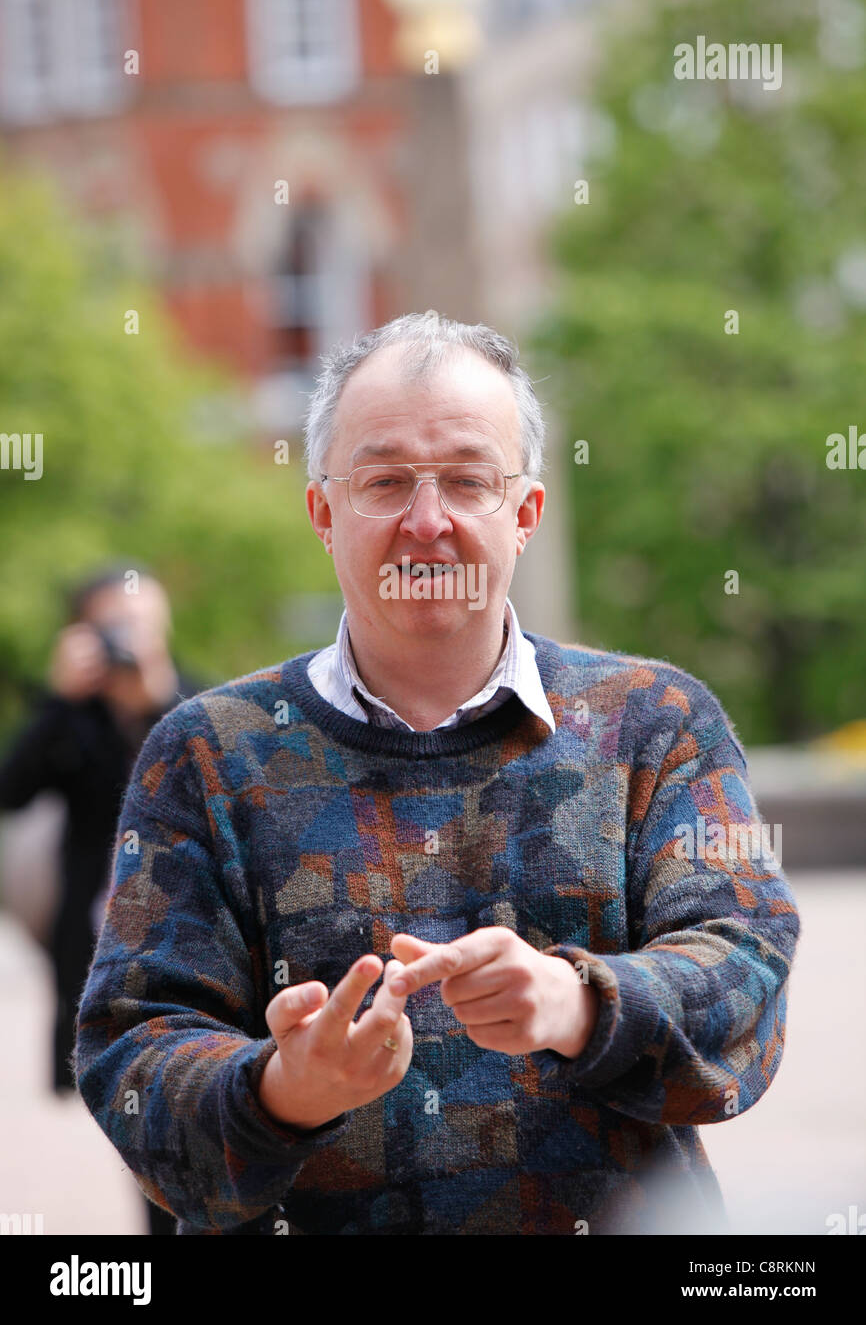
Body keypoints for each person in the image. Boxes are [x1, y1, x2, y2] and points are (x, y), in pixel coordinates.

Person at [75, 312, 800, 1235]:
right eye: (384, 482)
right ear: (323, 514)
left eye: (468, 480)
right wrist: (283, 1089)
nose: (428, 521)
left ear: (526, 514)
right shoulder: (206, 754)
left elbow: (748, 985)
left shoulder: (656, 724)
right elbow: (130, 1058)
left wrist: (578, 1003)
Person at [0, 564, 198, 1235]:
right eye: (111, 627)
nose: (126, 642)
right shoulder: (71, 721)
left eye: (139, 624)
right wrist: (57, 699)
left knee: (173, 1111)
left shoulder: (201, 704)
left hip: (186, 947)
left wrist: (155, 698)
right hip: (97, 957)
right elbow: (11, 791)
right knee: (134, 1114)